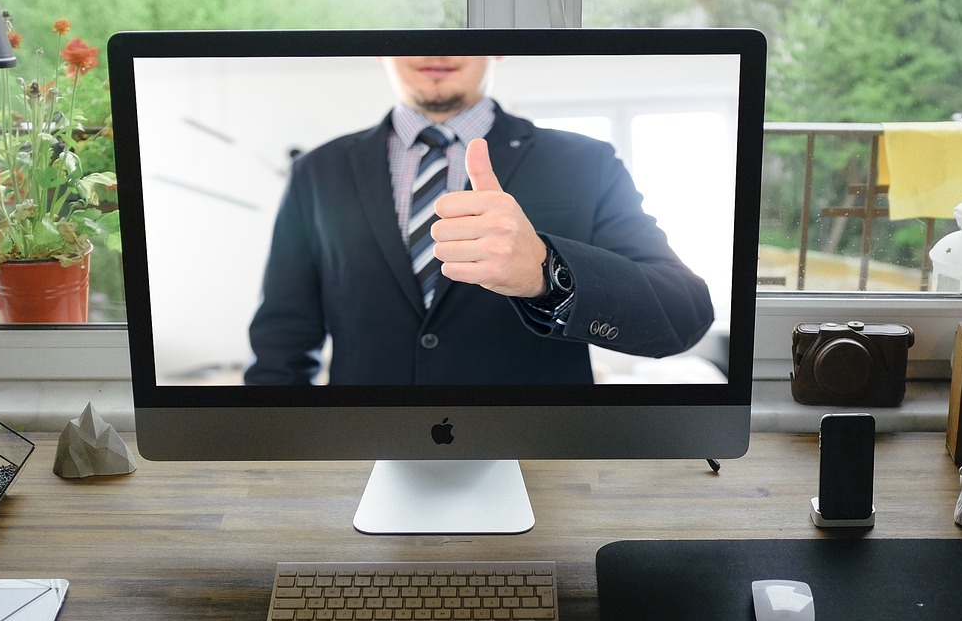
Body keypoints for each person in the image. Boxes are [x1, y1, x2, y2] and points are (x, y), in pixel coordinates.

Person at [244, 56, 713, 385]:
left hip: (543, 455)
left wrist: (548, 271)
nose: (436, 49)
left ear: (500, 43)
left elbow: (682, 316)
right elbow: (284, 332)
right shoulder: (318, 170)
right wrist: (271, 454)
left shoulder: (585, 161)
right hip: (364, 449)